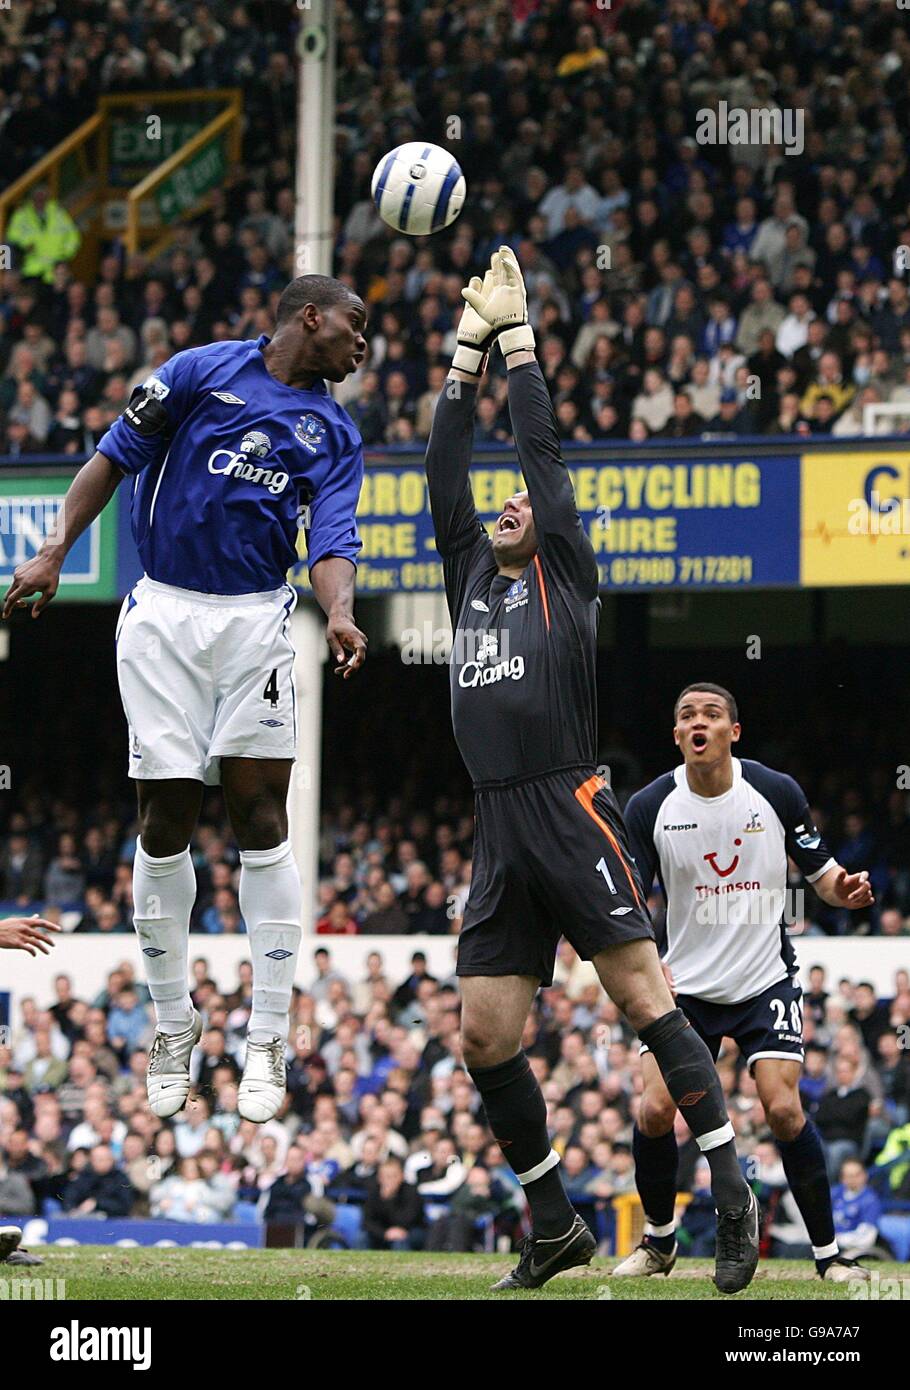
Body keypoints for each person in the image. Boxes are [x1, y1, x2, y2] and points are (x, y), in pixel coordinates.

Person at [424, 248, 760, 1294]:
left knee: (643, 1003)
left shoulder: (563, 568)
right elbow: (446, 465)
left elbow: (541, 453)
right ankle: (553, 1222)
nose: (510, 508)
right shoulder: (470, 570)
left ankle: (733, 1198)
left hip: (571, 803)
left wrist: (519, 345)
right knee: (485, 1036)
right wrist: (464, 352)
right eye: (504, 507)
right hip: (495, 821)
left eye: (522, 504)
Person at [3, 275, 370, 1127]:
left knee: (259, 819)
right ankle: (175, 1023)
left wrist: (342, 611)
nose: (364, 344)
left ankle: (270, 1033)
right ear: (308, 317)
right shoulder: (201, 370)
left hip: (256, 624)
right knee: (165, 819)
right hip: (164, 616)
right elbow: (110, 456)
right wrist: (57, 550)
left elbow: (335, 538)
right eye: (356, 325)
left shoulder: (336, 431)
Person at [616, 683, 873, 1284]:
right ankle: (658, 1244)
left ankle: (829, 1256)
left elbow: (824, 876)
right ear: (676, 735)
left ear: (734, 731)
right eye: (686, 716)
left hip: (764, 979)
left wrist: (847, 891)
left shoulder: (776, 792)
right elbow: (627, 900)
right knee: (654, 1110)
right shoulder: (650, 806)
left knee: (783, 1110)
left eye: (711, 714)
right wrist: (643, 963)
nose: (698, 722)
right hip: (685, 987)